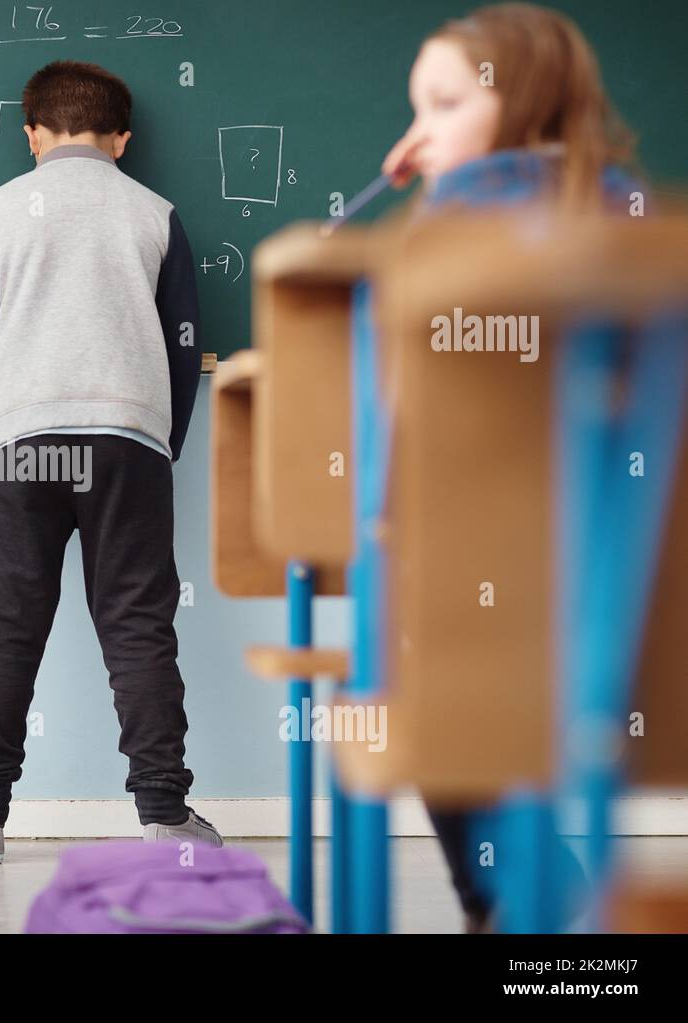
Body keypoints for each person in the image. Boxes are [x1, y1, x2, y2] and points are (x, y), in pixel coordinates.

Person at [376, 2, 639, 931]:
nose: (417, 136)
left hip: (490, 613)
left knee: (427, 692)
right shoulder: (632, 217)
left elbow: (393, 440)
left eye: (443, 105)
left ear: (520, 102)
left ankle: (503, 909)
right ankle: (561, 920)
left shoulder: (450, 231)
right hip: (643, 619)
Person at [0, 60, 213, 865]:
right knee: (138, 622)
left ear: (32, 135)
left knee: (8, 625)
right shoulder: (157, 214)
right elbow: (185, 346)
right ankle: (164, 817)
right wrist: (168, 440)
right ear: (120, 139)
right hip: (129, 440)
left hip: (20, 444)